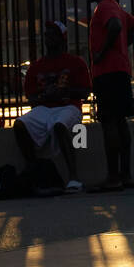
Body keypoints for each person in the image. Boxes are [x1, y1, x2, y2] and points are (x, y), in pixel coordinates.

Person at [13, 21, 91, 192]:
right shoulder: (36, 66)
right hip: (44, 107)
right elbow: (31, 97)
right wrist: (45, 96)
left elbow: (85, 91)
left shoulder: (75, 62)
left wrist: (64, 92)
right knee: (19, 124)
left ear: (62, 39)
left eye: (52, 34)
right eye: (46, 34)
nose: (48, 38)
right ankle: (34, 171)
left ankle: (74, 177)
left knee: (59, 125)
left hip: (69, 106)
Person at [86, 0, 134, 192]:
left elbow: (116, 27)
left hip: (107, 73)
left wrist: (102, 53)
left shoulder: (105, 7)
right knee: (120, 121)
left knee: (109, 121)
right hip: (119, 70)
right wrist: (121, 48)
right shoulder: (115, 6)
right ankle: (125, 175)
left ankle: (113, 176)